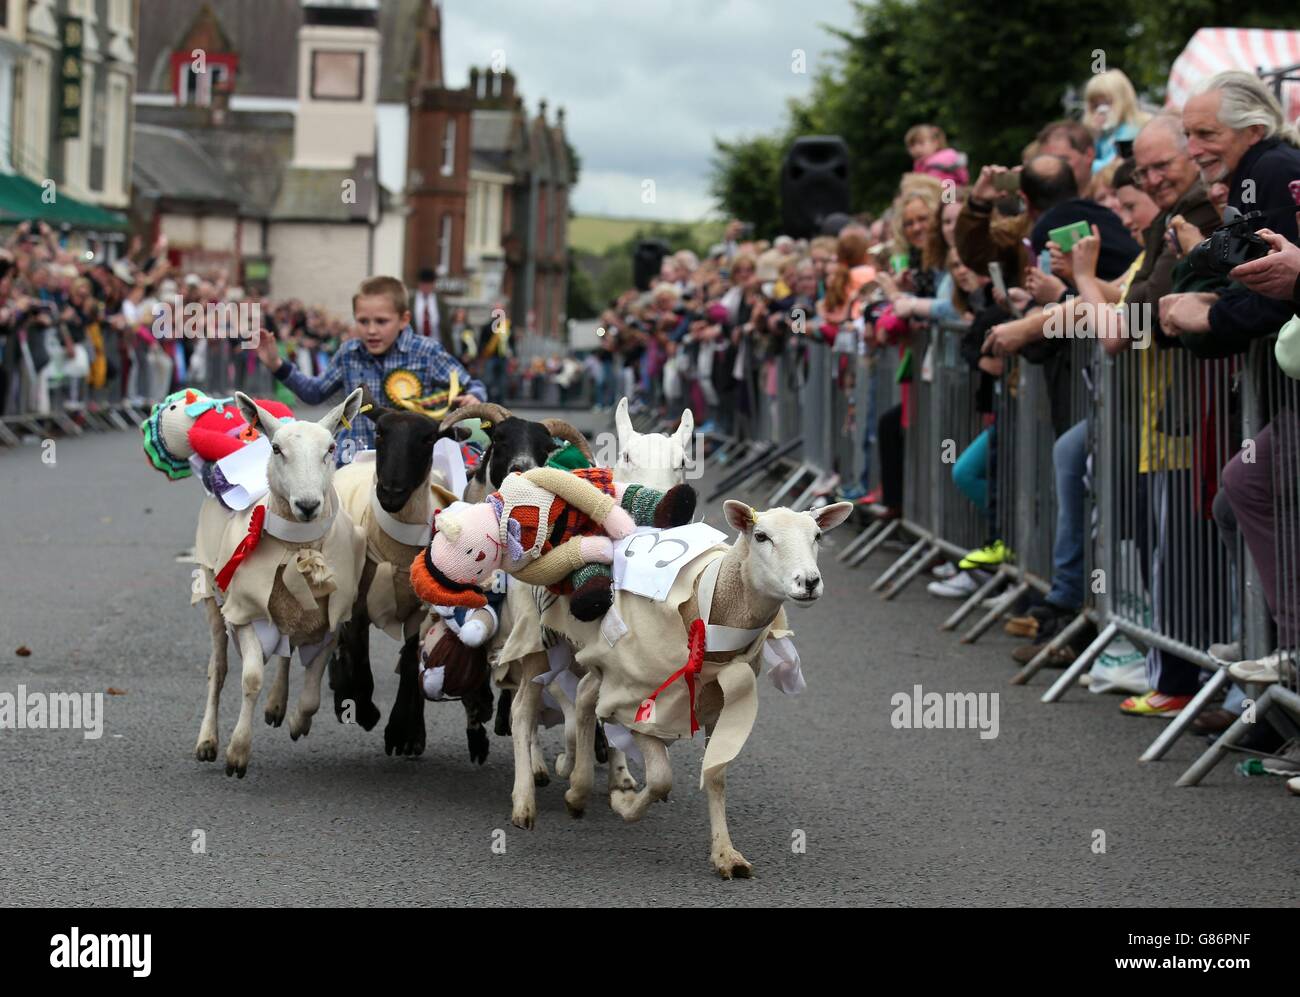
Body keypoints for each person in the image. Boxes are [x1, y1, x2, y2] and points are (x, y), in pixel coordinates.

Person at [255, 274, 485, 461]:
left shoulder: (427, 352)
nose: (371, 330)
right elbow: (314, 392)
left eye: (381, 321)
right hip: (355, 457)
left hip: (407, 462)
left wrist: (473, 396)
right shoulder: (349, 352)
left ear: (404, 319)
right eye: (363, 321)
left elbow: (470, 384)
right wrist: (277, 364)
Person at [1083, 69, 1150, 173]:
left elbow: (1113, 167)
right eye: (1096, 105)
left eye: (1107, 103)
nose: (1101, 110)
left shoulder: (1131, 130)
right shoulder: (1104, 133)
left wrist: (1083, 164)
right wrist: (1094, 136)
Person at [410, 267, 441, 344]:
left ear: (433, 284)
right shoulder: (410, 302)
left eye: (429, 284)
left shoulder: (440, 303)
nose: (426, 287)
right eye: (424, 284)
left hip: (436, 344)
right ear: (419, 284)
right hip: (415, 345)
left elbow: (446, 329)